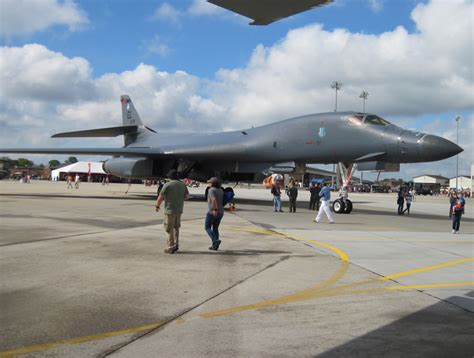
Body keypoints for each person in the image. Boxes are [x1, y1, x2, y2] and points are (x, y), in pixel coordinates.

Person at [155, 170, 189, 254]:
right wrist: (179, 200)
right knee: (176, 228)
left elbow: (160, 196)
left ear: (170, 177)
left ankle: (170, 246)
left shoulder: (167, 185)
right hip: (179, 210)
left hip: (170, 210)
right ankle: (176, 244)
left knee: (169, 228)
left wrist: (157, 205)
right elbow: (187, 196)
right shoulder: (183, 184)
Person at [205, 177, 224, 251]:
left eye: (210, 182)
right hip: (221, 212)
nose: (208, 183)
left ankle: (216, 240)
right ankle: (215, 246)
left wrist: (214, 209)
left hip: (213, 212)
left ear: (213, 183)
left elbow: (213, 199)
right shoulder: (220, 190)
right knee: (215, 228)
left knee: (207, 227)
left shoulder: (211, 190)